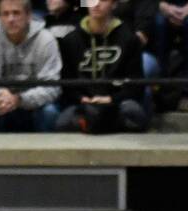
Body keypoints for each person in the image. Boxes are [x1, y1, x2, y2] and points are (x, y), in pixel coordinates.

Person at [54, 0, 147, 132]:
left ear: (114, 4)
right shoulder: (70, 40)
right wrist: (82, 98)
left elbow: (136, 85)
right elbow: (66, 83)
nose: (96, 4)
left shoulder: (129, 39)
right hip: (83, 104)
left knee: (134, 112)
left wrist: (110, 99)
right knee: (62, 122)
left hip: (117, 104)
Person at [0, 0, 60, 132]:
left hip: (35, 104)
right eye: (5, 14)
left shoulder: (46, 40)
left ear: (28, 16)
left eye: (16, 13)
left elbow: (52, 88)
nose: (11, 19)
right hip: (4, 103)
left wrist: (20, 99)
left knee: (50, 112)